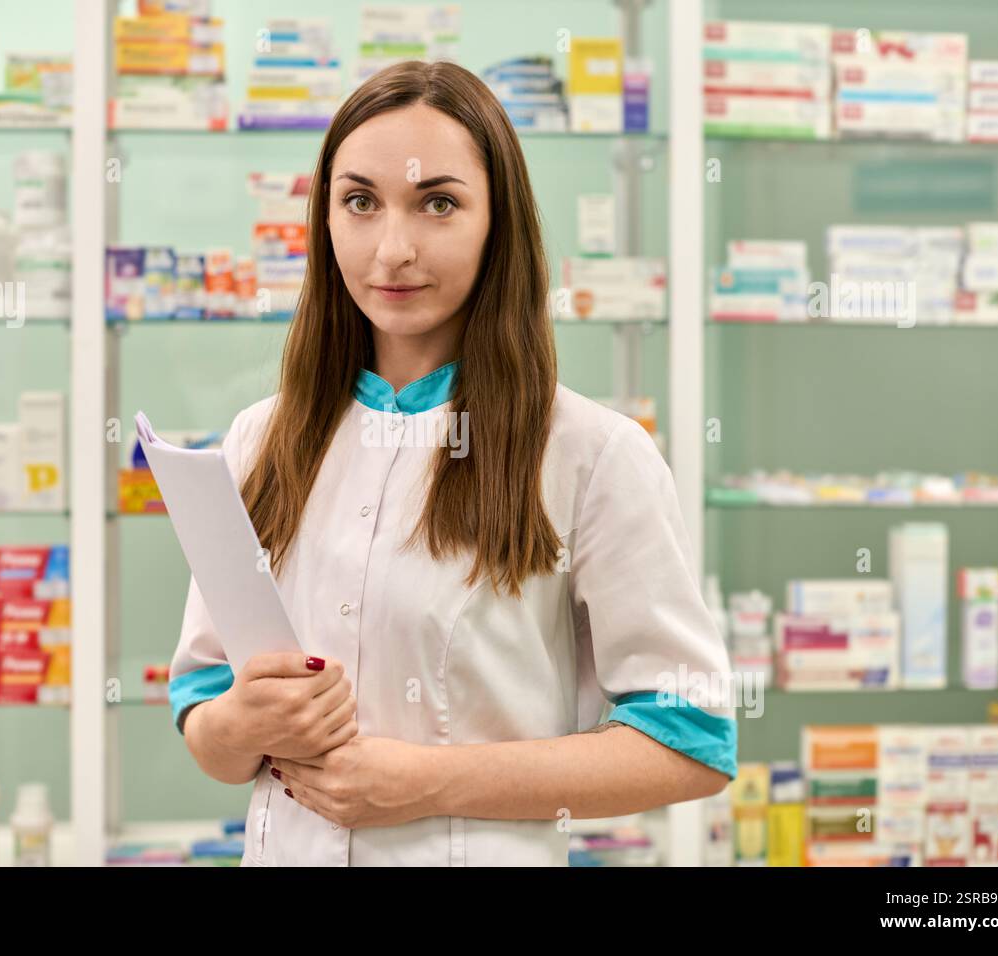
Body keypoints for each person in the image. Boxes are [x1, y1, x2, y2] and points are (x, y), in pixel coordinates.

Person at [169, 59, 736, 867]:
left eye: (438, 203)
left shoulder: (592, 455)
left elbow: (692, 741)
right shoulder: (259, 440)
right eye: (359, 202)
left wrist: (432, 782)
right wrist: (238, 724)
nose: (392, 249)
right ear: (324, 219)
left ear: (497, 222)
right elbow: (204, 716)